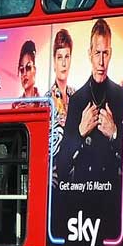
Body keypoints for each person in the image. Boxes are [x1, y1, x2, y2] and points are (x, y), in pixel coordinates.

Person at [54, 18, 123, 246]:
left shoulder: (120, 96)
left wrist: (115, 133)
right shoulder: (76, 101)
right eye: (97, 53)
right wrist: (78, 132)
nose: (101, 61)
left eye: (106, 53)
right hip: (81, 202)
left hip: (112, 203)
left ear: (111, 53)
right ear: (89, 54)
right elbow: (62, 164)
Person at [48, 28, 74, 161]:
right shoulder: (47, 101)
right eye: (59, 57)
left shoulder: (75, 96)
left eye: (67, 57)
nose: (63, 63)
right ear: (54, 62)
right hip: (55, 176)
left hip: (76, 177)